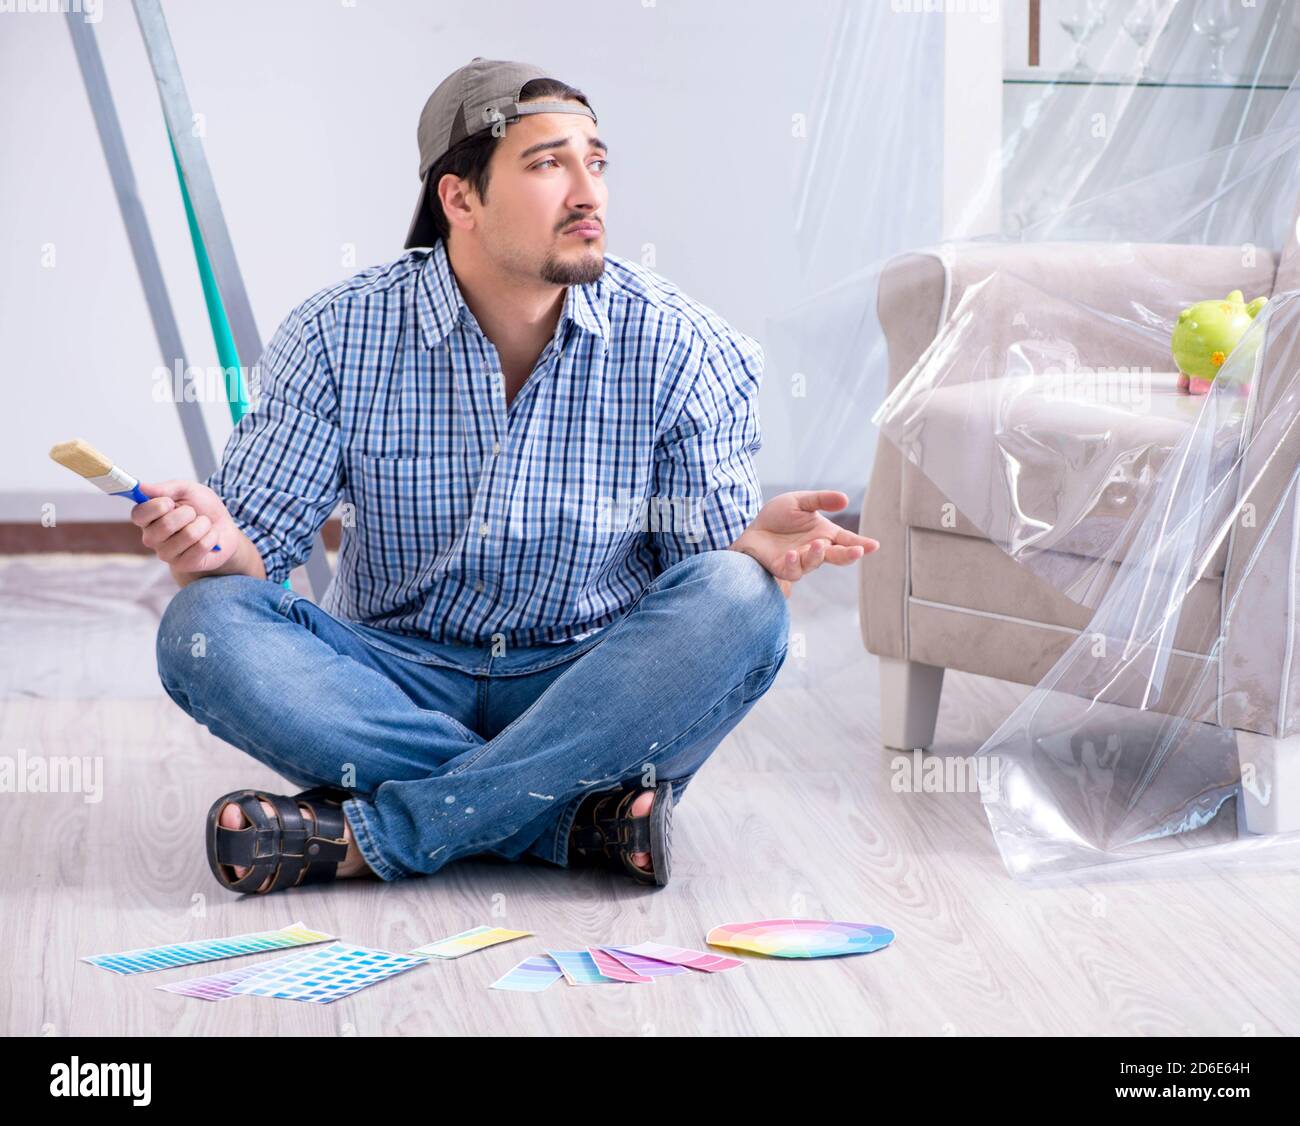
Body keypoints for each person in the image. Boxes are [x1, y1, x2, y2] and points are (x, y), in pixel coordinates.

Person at [139, 57, 878, 896]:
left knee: (741, 600)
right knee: (204, 624)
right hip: (390, 680)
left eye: (594, 162)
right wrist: (208, 544)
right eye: (547, 164)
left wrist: (745, 550)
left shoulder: (685, 346)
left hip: (587, 687)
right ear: (460, 199)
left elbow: (692, 591)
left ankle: (385, 830)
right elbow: (253, 563)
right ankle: (565, 823)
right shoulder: (335, 335)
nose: (588, 192)